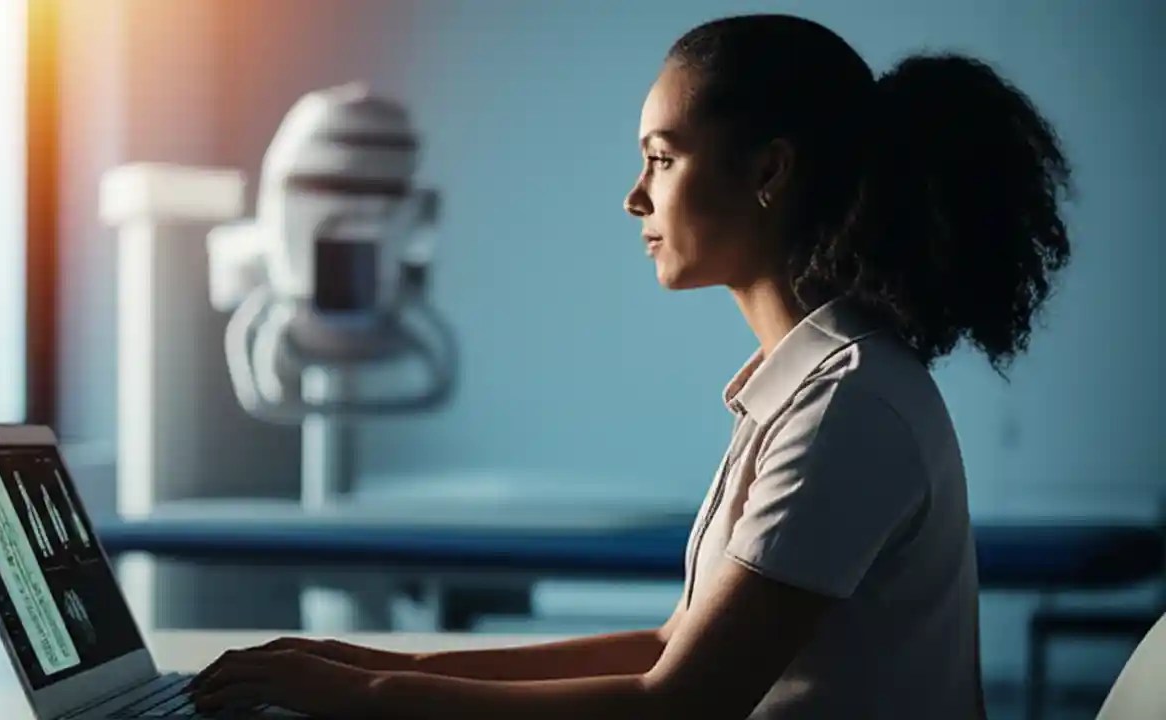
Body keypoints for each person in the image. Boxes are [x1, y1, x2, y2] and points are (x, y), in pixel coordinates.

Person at [187, 12, 1072, 719]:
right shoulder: (812, 387)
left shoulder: (848, 408)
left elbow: (680, 703)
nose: (634, 197)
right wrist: (372, 664)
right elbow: (669, 646)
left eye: (662, 158)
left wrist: (369, 697)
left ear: (768, 171)